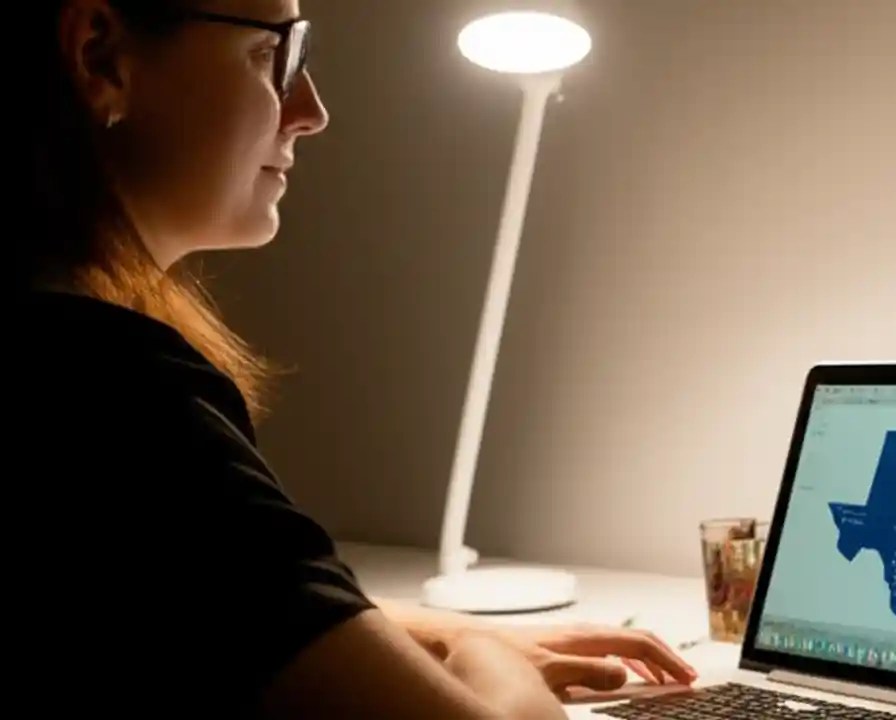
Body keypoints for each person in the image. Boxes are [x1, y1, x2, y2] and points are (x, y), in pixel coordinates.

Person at [18, 1, 697, 717]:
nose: (310, 110)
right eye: (273, 55)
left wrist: (415, 631)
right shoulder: (109, 387)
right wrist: (484, 654)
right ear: (100, 58)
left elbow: (220, 600)